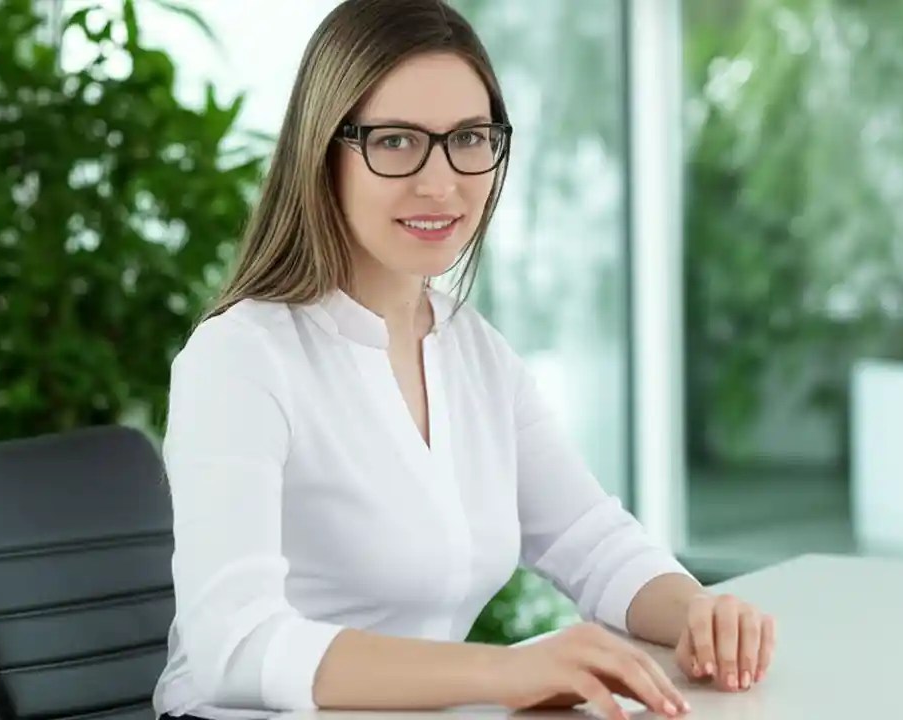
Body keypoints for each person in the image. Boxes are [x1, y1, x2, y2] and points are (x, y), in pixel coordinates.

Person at [153, 1, 775, 718]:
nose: (440, 181)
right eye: (394, 141)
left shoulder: (472, 349)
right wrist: (505, 672)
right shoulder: (240, 358)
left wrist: (699, 613)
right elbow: (236, 647)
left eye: (470, 139)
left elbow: (591, 541)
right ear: (323, 152)